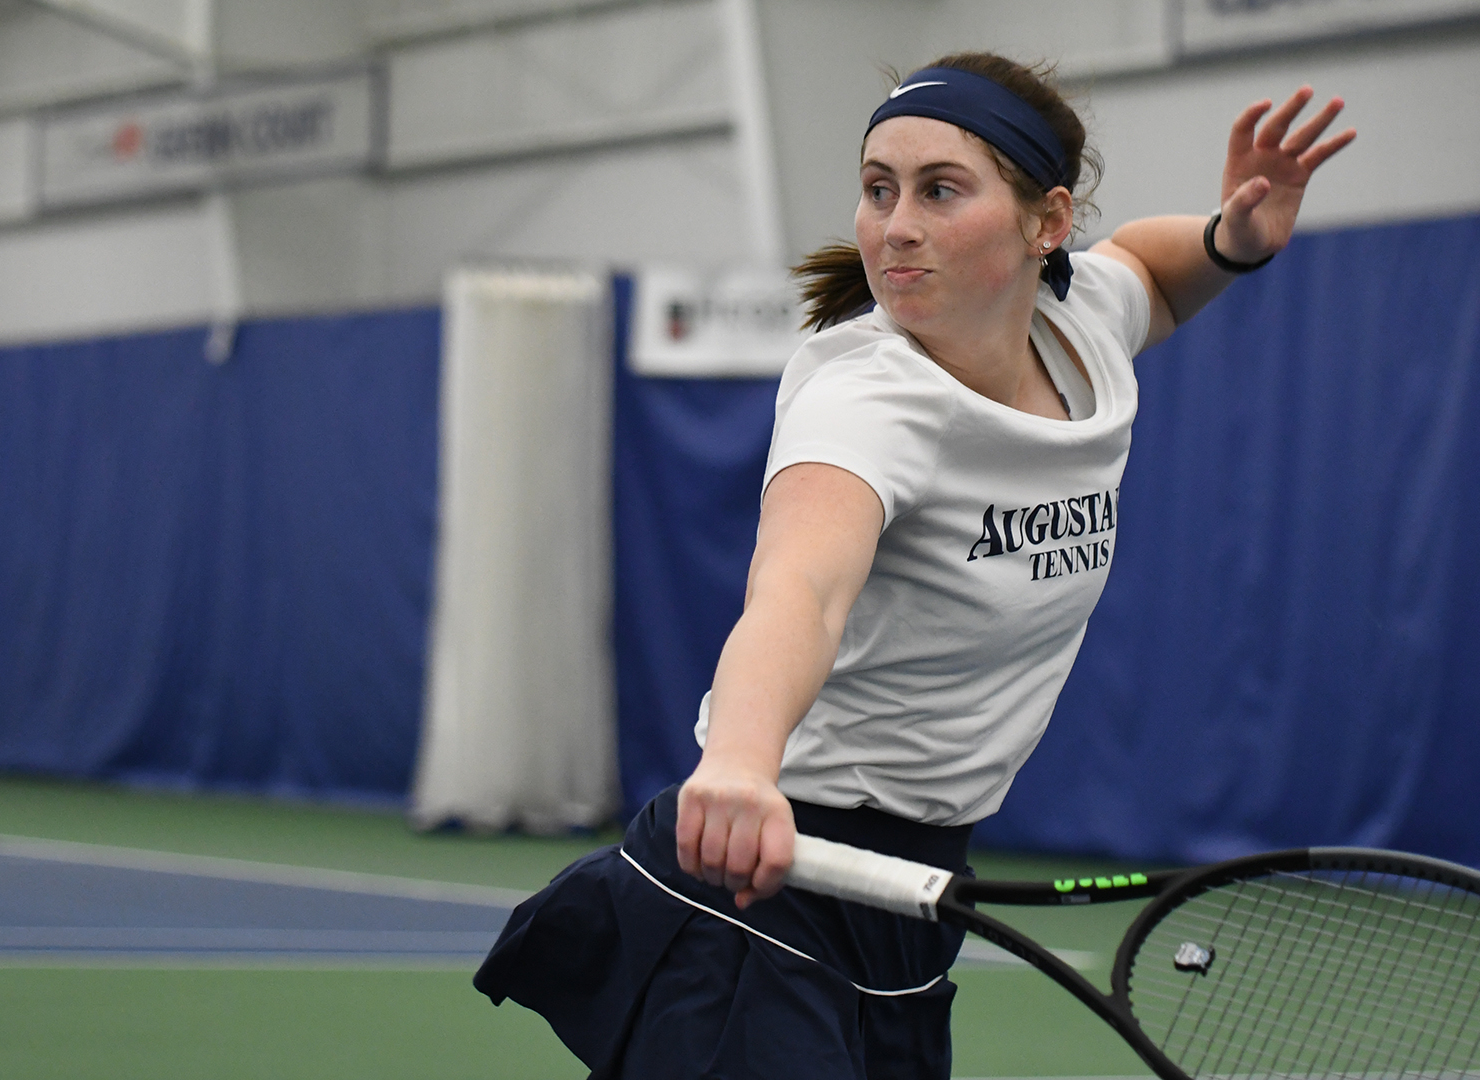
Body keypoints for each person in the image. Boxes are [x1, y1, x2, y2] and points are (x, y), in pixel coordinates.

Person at [475, 51, 1353, 1080]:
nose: (895, 225)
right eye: (879, 189)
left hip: (913, 888)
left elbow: (1148, 269)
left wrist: (1230, 241)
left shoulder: (1081, 329)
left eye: (941, 191)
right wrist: (744, 765)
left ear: (1047, 222)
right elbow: (800, 591)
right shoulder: (864, 402)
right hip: (765, 864)